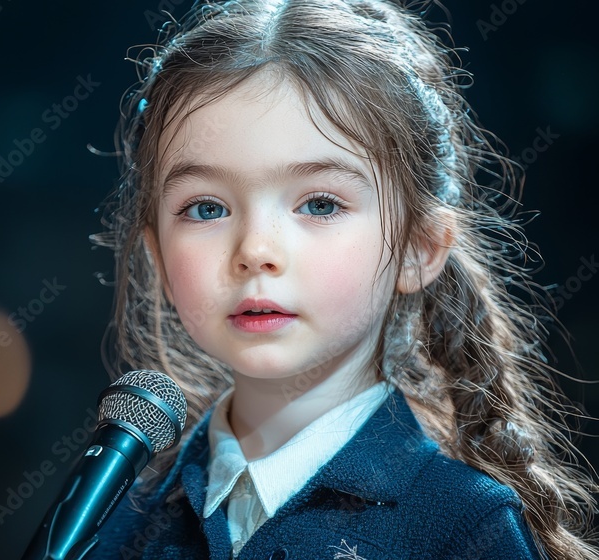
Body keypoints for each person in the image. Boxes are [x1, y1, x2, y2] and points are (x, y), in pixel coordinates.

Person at [88, 0, 599, 558]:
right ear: (158, 256)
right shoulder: (115, 526)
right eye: (207, 208)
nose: (256, 250)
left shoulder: (464, 528)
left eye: (320, 204)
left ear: (418, 248)